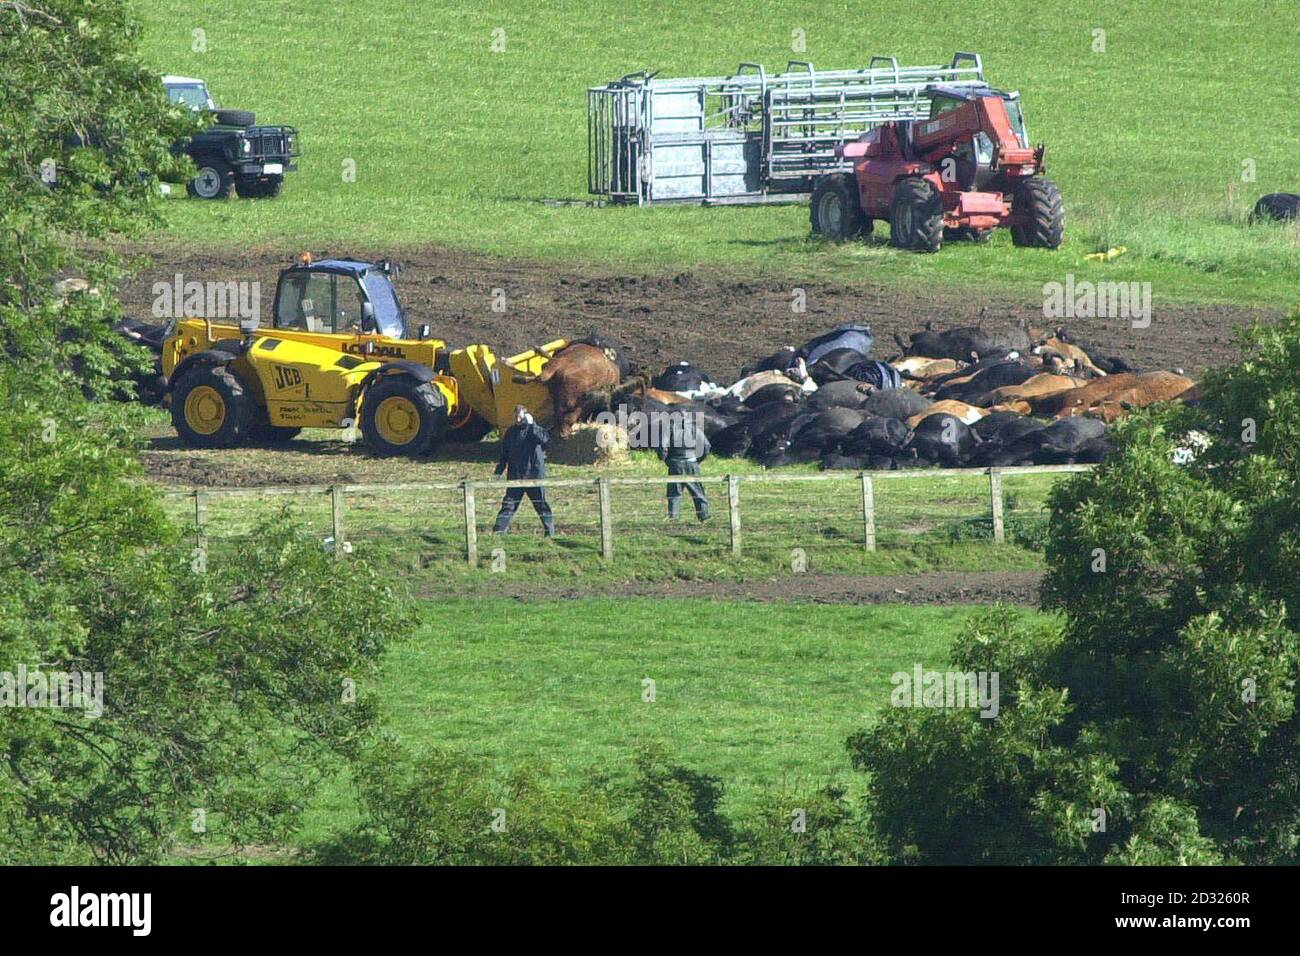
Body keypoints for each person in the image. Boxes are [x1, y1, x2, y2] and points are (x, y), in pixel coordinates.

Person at [492, 405, 555, 537]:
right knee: (509, 504)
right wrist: (499, 471)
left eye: (520, 416)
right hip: (516, 476)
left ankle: (550, 533)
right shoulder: (511, 432)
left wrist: (532, 425)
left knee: (541, 504)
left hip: (534, 476)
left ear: (526, 416)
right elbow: (504, 453)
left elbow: (545, 440)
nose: (517, 419)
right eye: (515, 416)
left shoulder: (534, 430)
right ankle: (498, 532)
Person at [658, 410, 710, 522]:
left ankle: (673, 517)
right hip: (692, 462)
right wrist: (698, 460)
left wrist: (665, 459)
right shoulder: (694, 429)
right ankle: (704, 516)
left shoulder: (669, 429)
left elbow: (662, 447)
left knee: (674, 492)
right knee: (698, 491)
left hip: (675, 464)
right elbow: (706, 445)